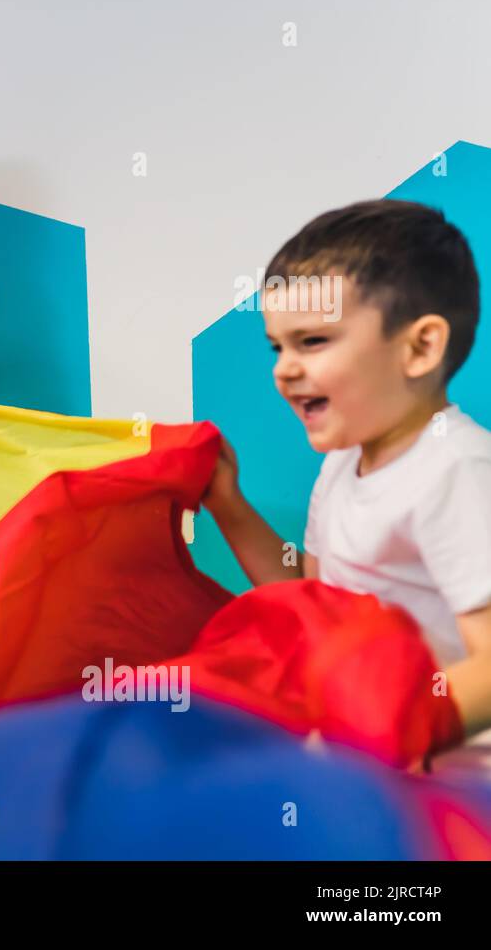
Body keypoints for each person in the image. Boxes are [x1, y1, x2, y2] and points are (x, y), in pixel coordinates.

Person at [201, 199, 491, 760]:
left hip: (456, 787)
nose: (283, 368)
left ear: (419, 347)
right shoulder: (342, 461)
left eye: (312, 342)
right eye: (277, 346)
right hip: (371, 766)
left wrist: (380, 728)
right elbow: (309, 602)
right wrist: (227, 504)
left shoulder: (457, 471)